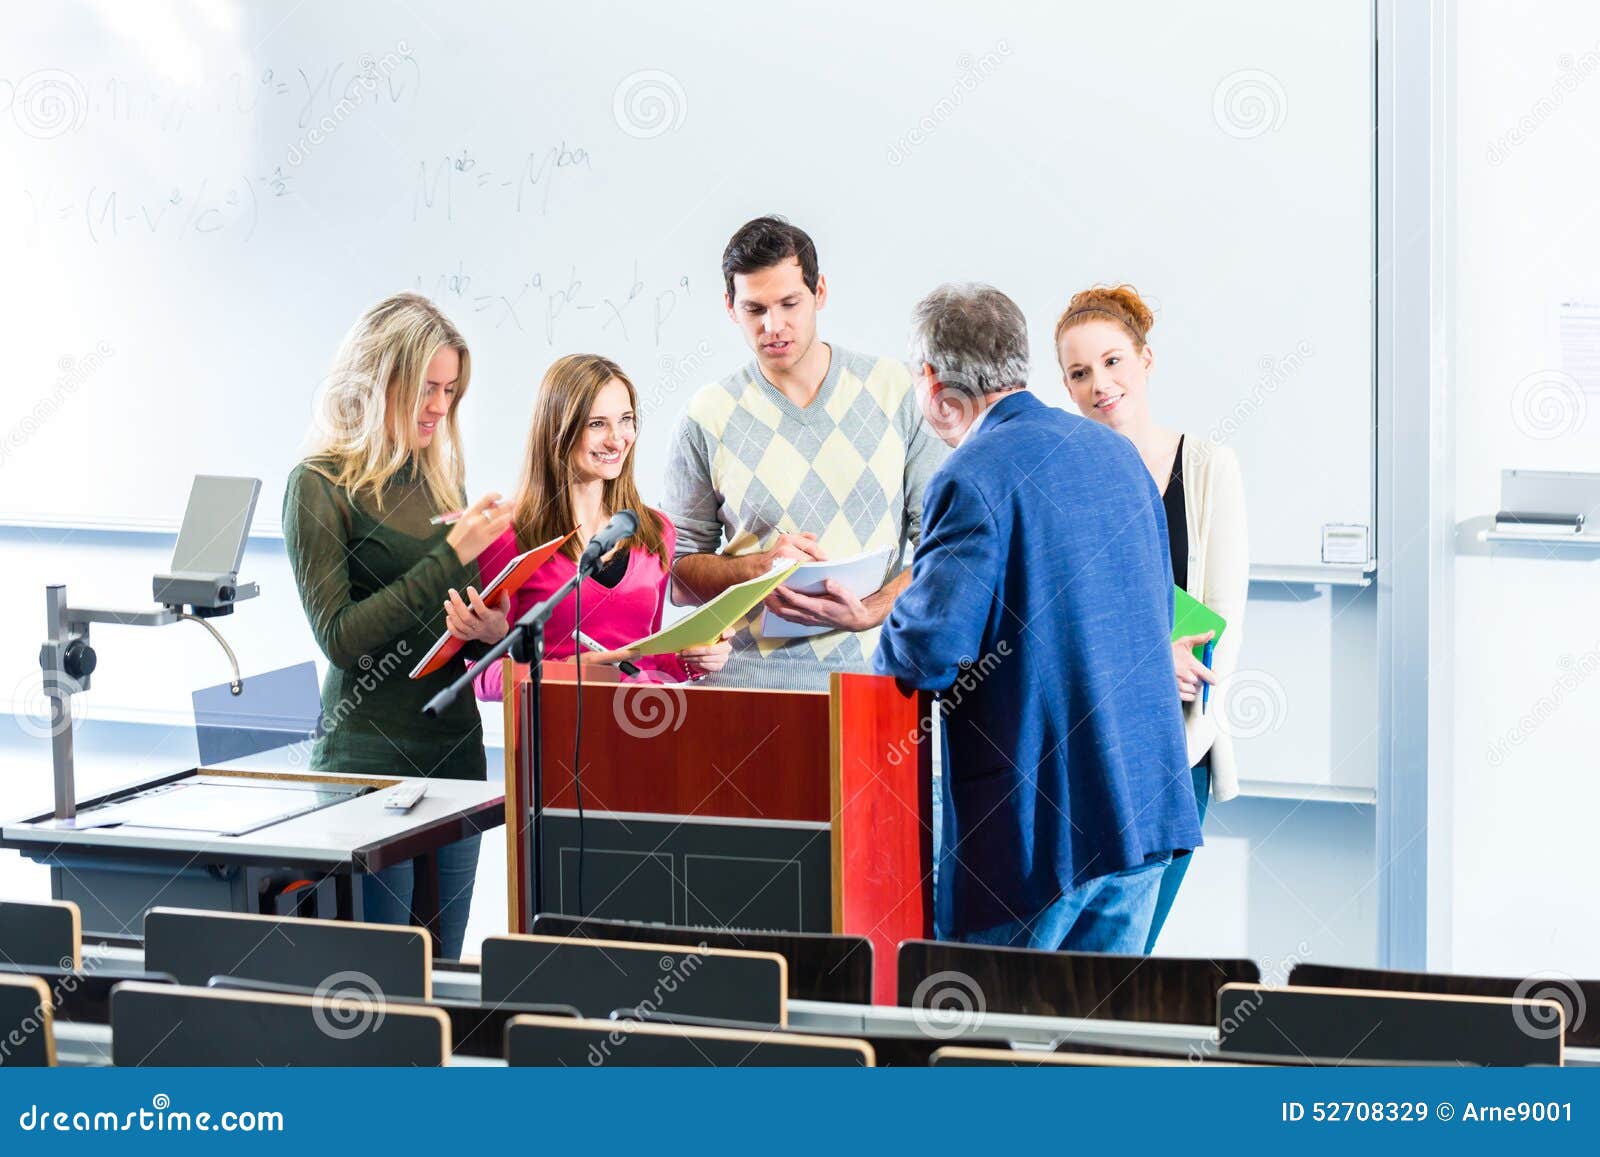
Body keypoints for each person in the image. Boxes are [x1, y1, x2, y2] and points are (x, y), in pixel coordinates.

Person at [874, 283, 1200, 952]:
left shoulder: (970, 476)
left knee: (988, 1046)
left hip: (1037, 836)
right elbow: (1155, 609)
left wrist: (881, 618)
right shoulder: (1117, 455)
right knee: (1095, 1043)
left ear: (934, 382)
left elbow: (928, 653)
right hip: (1142, 814)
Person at [283, 292, 511, 958]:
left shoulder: (440, 479)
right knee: (386, 991)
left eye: (449, 390)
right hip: (368, 771)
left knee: (442, 976)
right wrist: (449, 555)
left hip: (454, 760)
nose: (440, 406)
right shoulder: (317, 484)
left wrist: (488, 621)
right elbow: (341, 637)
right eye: (425, 389)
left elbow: (441, 609)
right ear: (376, 381)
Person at [664, 215, 947, 690]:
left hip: (876, 686)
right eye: (754, 309)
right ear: (730, 308)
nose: (773, 326)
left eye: (789, 303)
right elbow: (677, 575)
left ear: (819, 292)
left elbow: (942, 546)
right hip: (743, 692)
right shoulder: (706, 415)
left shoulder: (897, 391)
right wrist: (759, 567)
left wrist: (870, 612)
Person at [1055, 284, 1249, 952]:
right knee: (1071, 964)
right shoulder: (1062, 472)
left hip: (1174, 751)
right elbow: (1057, 619)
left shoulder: (1206, 467)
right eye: (1079, 373)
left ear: (1146, 360)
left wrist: (1137, 663)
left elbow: (1219, 619)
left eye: (1113, 362)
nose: (1100, 384)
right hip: (1080, 753)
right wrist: (1142, 659)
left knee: (1125, 961)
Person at [448, 353, 733, 698]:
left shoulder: (656, 531)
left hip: (640, 730)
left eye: (625, 420)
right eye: (597, 424)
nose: (617, 439)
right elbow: (479, 676)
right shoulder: (508, 536)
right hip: (554, 735)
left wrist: (692, 658)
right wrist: (573, 674)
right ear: (558, 429)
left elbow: (641, 661)